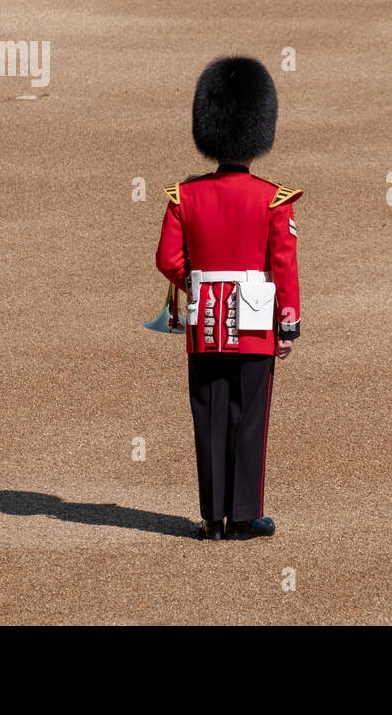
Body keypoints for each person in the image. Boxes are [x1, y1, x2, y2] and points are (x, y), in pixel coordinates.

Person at [155, 56, 301, 541]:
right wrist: (288, 323)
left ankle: (212, 518)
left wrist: (200, 282)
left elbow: (168, 259)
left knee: (209, 415)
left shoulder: (185, 196)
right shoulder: (271, 198)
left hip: (205, 322)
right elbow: (283, 266)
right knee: (248, 417)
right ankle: (243, 516)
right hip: (256, 324)